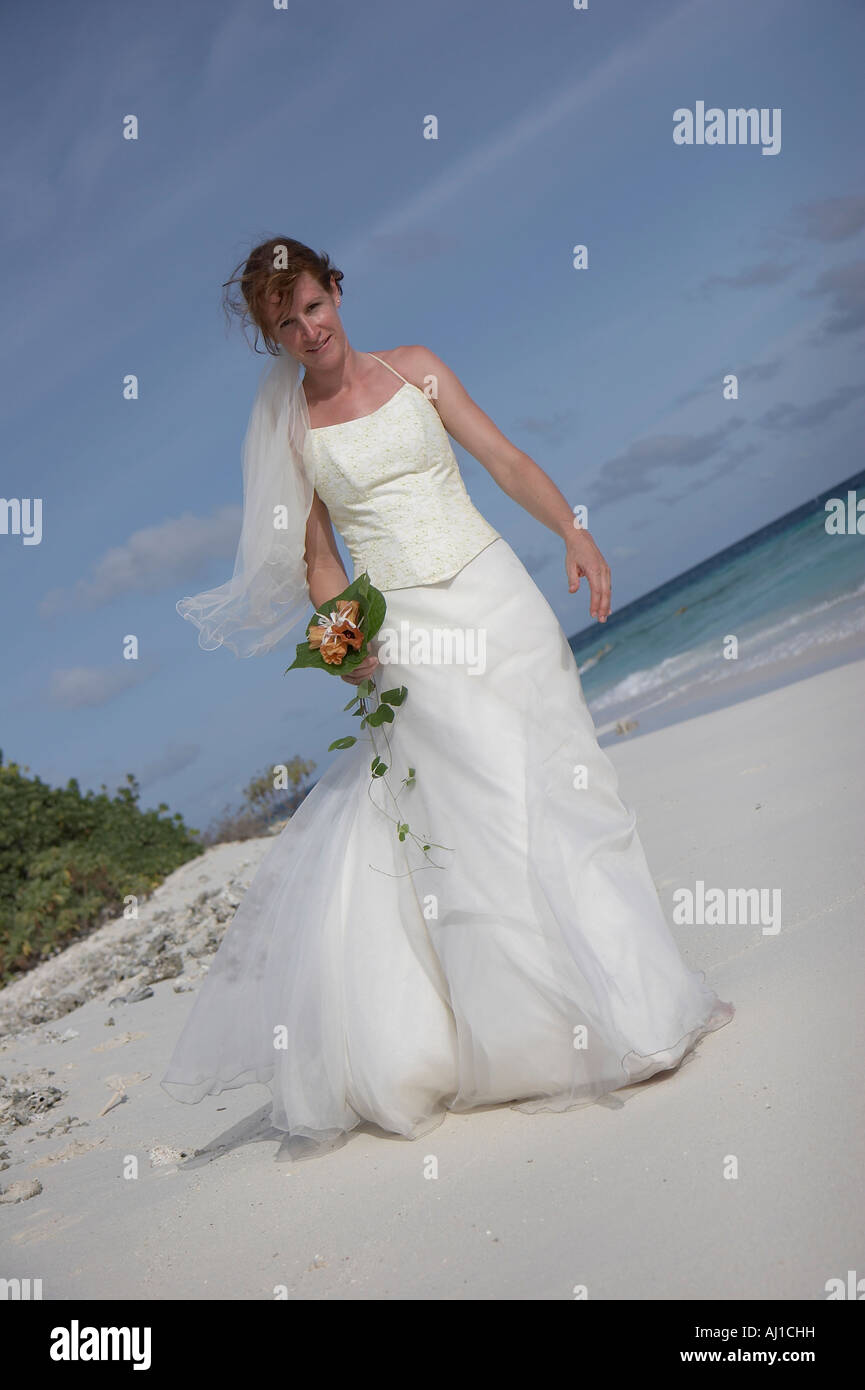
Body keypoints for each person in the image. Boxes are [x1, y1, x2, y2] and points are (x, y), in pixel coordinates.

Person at [161, 238, 733, 1159]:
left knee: (566, 785)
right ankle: (538, 1040)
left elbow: (502, 459)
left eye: (313, 305)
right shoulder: (295, 434)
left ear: (337, 292)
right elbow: (318, 561)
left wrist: (570, 532)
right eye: (285, 323)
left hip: (499, 598)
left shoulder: (419, 370)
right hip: (408, 635)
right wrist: (346, 638)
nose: (308, 330)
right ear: (273, 337)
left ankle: (639, 1001)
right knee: (478, 816)